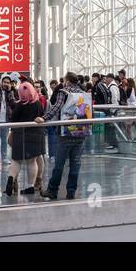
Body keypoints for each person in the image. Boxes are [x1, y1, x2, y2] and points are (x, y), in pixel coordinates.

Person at [44, 73, 91, 201]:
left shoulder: (63, 92)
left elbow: (56, 108)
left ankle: (52, 190)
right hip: (81, 133)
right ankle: (71, 191)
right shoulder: (84, 93)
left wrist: (43, 118)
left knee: (59, 164)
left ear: (68, 81)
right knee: (75, 164)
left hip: (65, 133)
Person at [7, 80, 46, 197]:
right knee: (32, 162)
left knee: (16, 160)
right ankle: (30, 186)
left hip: (19, 134)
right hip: (34, 135)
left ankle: (11, 178)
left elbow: (13, 121)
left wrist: (11, 133)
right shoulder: (38, 104)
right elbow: (43, 116)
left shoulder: (18, 105)